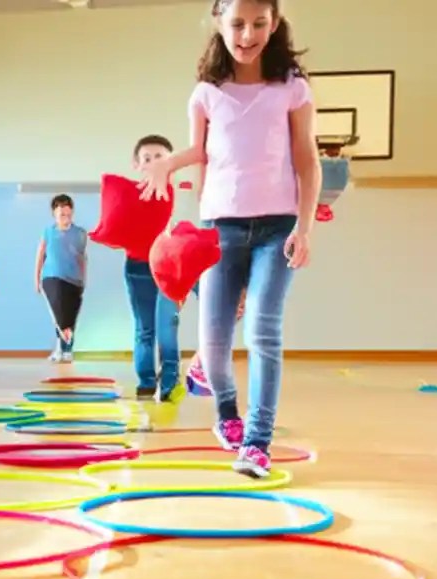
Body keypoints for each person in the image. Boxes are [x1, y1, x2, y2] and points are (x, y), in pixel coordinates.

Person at [140, 0, 319, 477]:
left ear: (274, 23)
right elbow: (199, 152)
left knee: (263, 329)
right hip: (222, 228)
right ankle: (227, 414)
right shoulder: (206, 93)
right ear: (219, 23)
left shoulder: (292, 88)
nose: (247, 35)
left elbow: (307, 161)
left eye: (259, 23)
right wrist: (166, 164)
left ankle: (258, 441)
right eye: (237, 24)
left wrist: (304, 227)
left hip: (277, 227)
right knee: (213, 343)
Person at [124, 135, 183, 401]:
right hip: (138, 265)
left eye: (160, 157)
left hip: (167, 266)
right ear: (137, 164)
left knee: (167, 327)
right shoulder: (131, 194)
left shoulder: (172, 192)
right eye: (147, 158)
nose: (154, 163)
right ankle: (147, 382)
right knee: (145, 328)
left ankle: (168, 382)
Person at [35, 194, 87, 364]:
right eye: (61, 215)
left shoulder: (79, 233)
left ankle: (65, 350)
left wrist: (84, 279)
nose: (65, 218)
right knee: (58, 311)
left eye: (68, 214)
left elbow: (82, 258)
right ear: (54, 214)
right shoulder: (48, 232)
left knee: (70, 317)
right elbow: (40, 254)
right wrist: (36, 278)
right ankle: (61, 346)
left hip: (74, 280)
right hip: (51, 276)